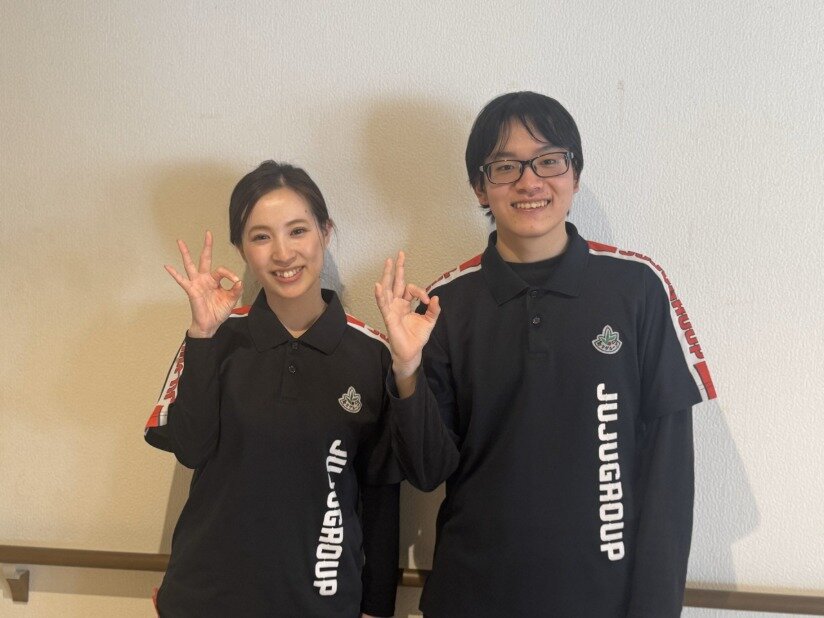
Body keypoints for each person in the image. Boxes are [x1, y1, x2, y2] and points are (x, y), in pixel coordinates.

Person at [375, 91, 717, 617]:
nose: (530, 182)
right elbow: (425, 471)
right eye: (505, 166)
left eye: (549, 161)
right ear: (479, 187)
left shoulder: (636, 288)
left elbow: (669, 474)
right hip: (471, 596)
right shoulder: (446, 305)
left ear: (575, 175)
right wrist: (406, 369)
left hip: (602, 598)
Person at [144, 161, 401, 617]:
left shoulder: (373, 353)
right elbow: (191, 449)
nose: (283, 253)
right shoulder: (215, 337)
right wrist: (201, 336)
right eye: (261, 237)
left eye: (297, 231)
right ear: (241, 249)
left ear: (325, 232)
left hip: (320, 601)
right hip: (205, 599)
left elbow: (381, 490)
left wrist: (377, 605)